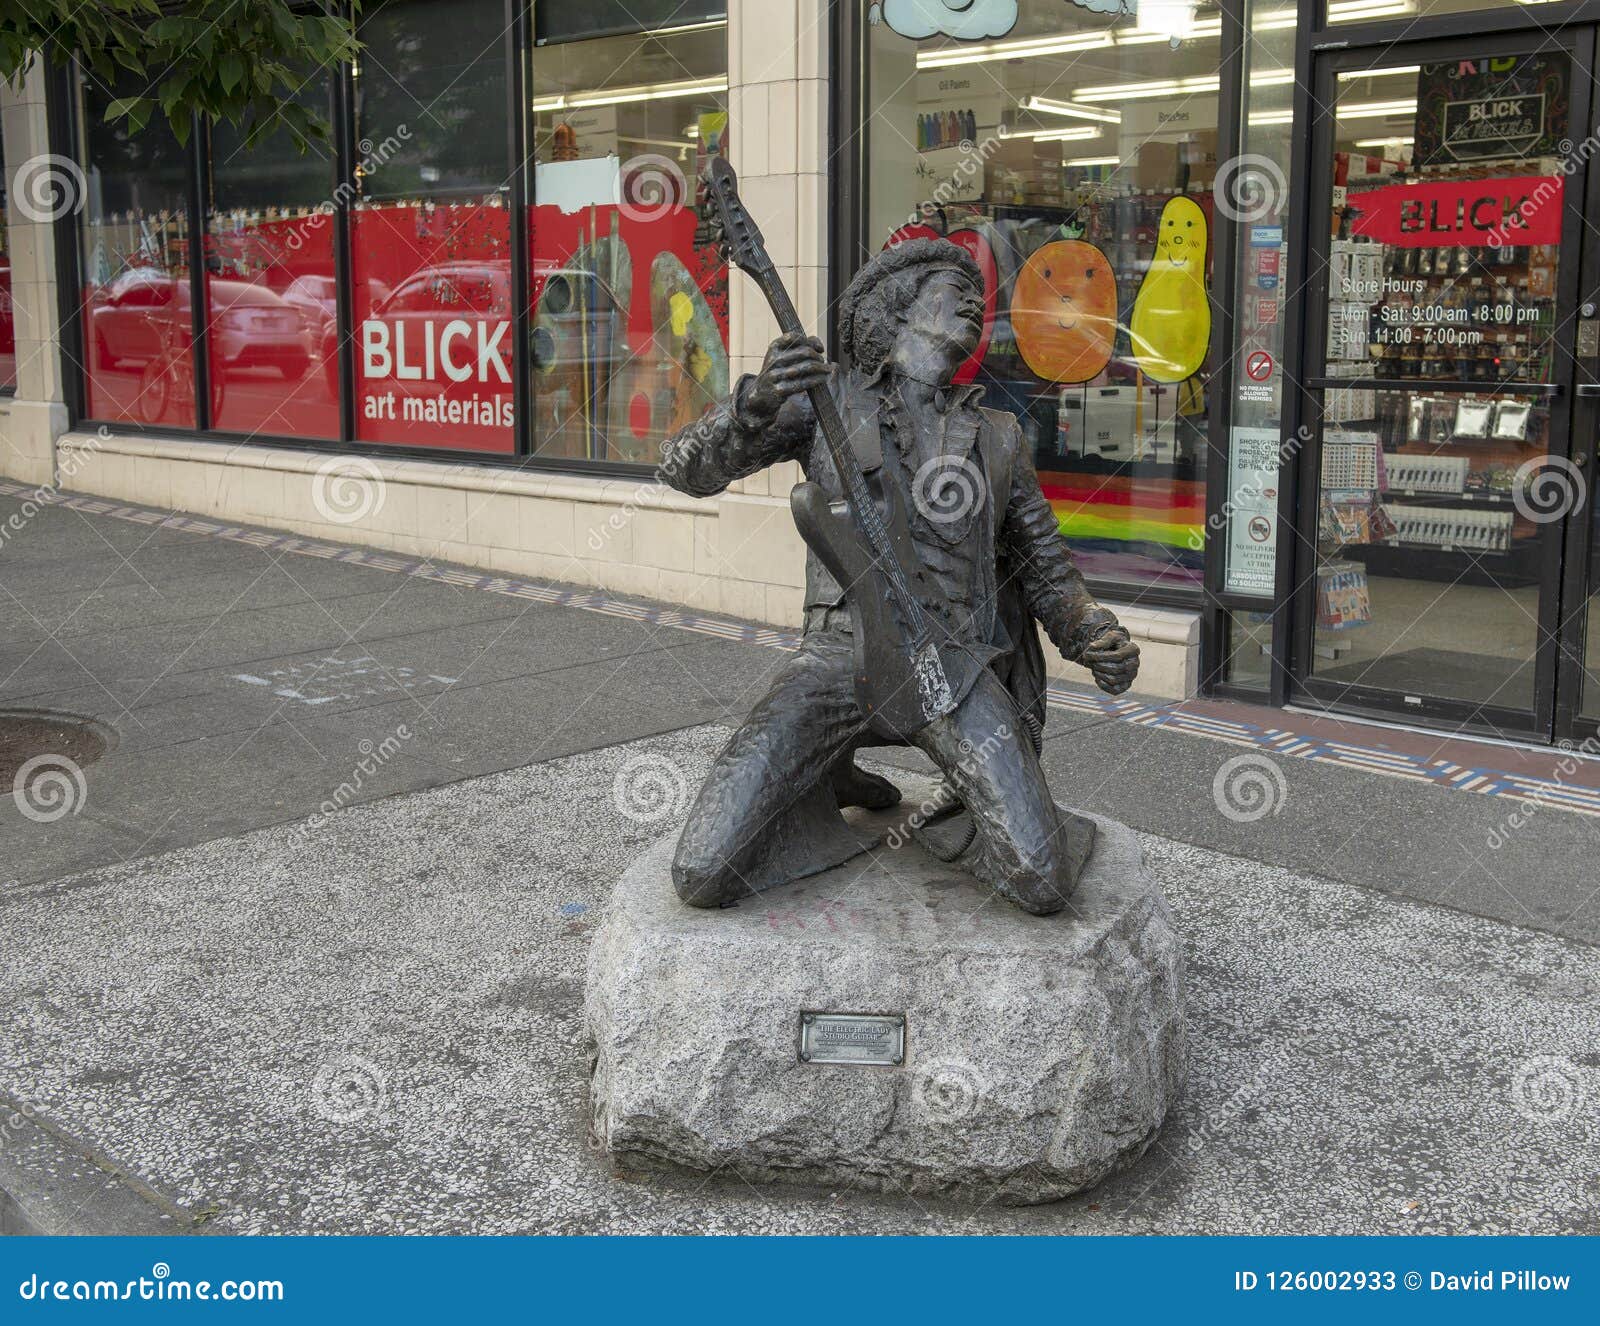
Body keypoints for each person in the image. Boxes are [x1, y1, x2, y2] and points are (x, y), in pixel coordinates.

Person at [659, 237, 1140, 915]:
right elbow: (683, 469)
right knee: (702, 873)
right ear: (898, 307)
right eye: (954, 291)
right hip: (838, 660)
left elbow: (1047, 569)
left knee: (1040, 879)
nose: (976, 303)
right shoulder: (823, 406)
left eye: (980, 297)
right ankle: (828, 780)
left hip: (958, 663)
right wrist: (755, 403)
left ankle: (933, 800)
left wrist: (1093, 631)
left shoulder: (999, 435)